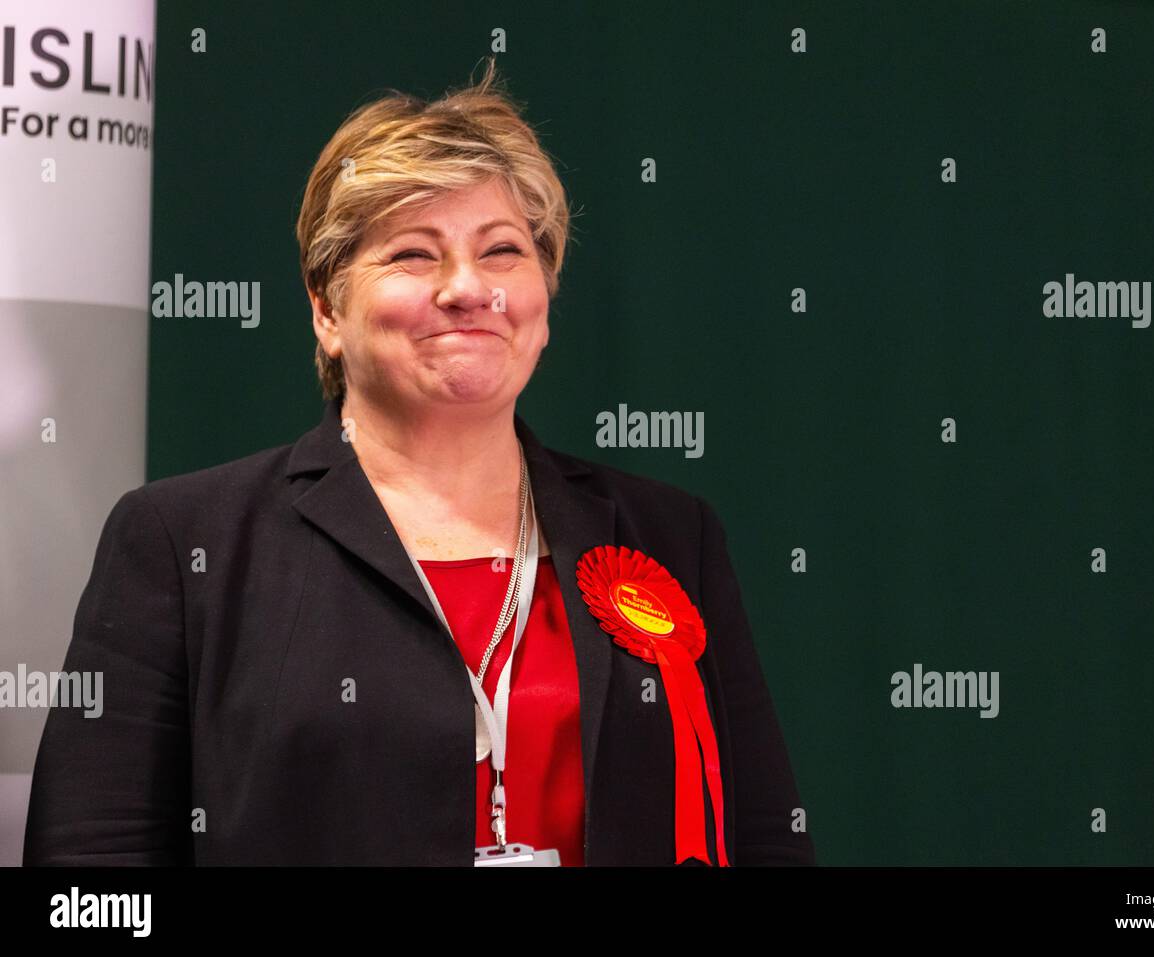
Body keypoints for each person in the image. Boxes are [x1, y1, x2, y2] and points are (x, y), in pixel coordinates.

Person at [23, 60, 814, 867]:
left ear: (545, 294)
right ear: (327, 308)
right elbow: (89, 871)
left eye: (503, 250)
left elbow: (764, 841)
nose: (469, 288)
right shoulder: (182, 540)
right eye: (413, 254)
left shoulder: (669, 535)